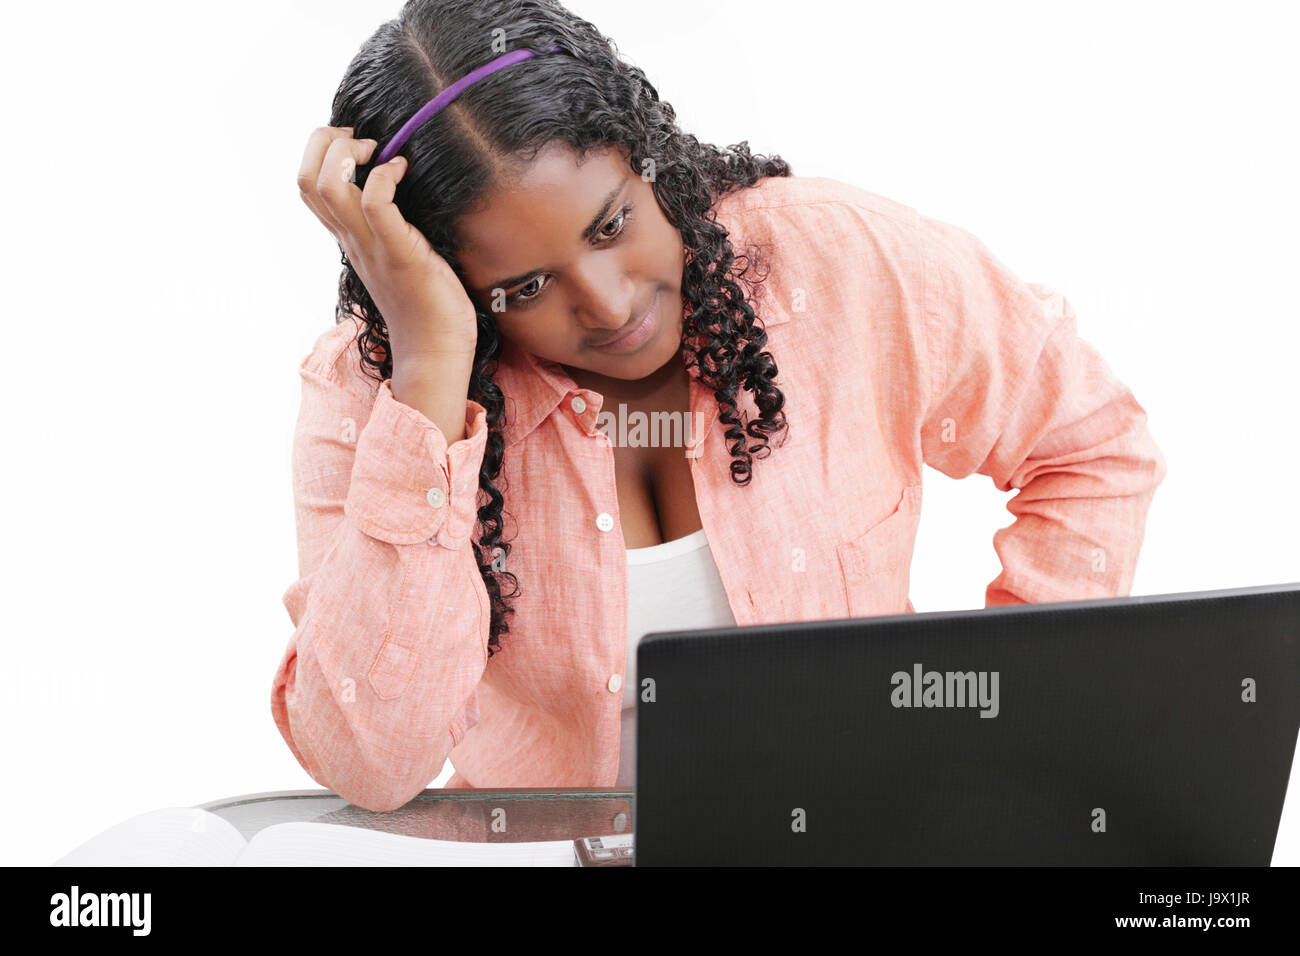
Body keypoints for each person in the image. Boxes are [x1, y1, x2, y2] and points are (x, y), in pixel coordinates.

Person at [272, 0, 1168, 812]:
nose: (612, 305)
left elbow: (1091, 443)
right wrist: (430, 369)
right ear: (453, 285)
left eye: (613, 224)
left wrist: (999, 720)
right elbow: (373, 763)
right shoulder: (376, 392)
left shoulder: (833, 262)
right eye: (528, 284)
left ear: (648, 153)